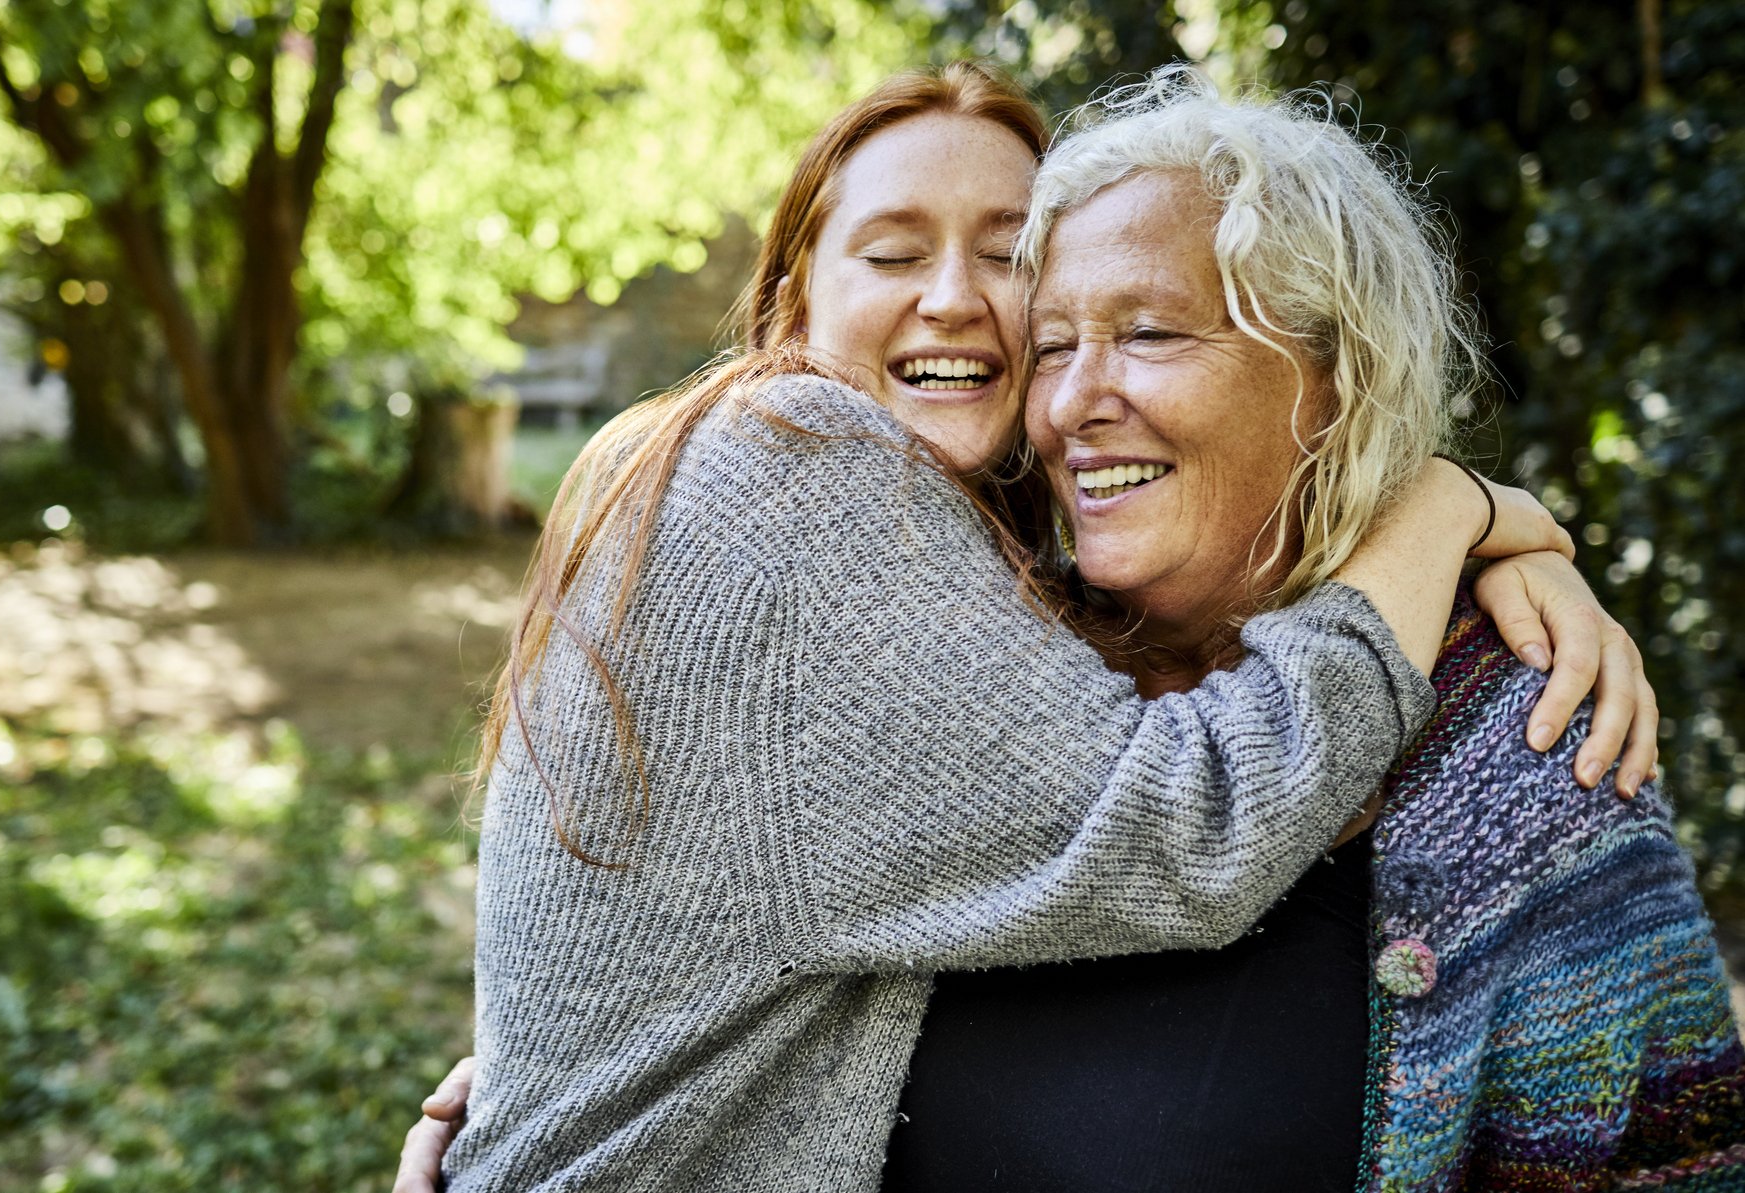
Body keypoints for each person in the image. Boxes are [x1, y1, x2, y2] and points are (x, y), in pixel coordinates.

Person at [403, 63, 1661, 1192]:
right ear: (792, 304)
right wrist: (1445, 506)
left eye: (1011, 259)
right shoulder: (792, 463)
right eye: (893, 253)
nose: (958, 301)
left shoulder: (1014, 616)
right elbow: (1187, 823)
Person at [874, 69, 1744, 1189]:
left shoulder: (1531, 750)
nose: (1071, 402)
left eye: (1147, 331)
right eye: (1050, 346)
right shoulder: (967, 671)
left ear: (1331, 381)